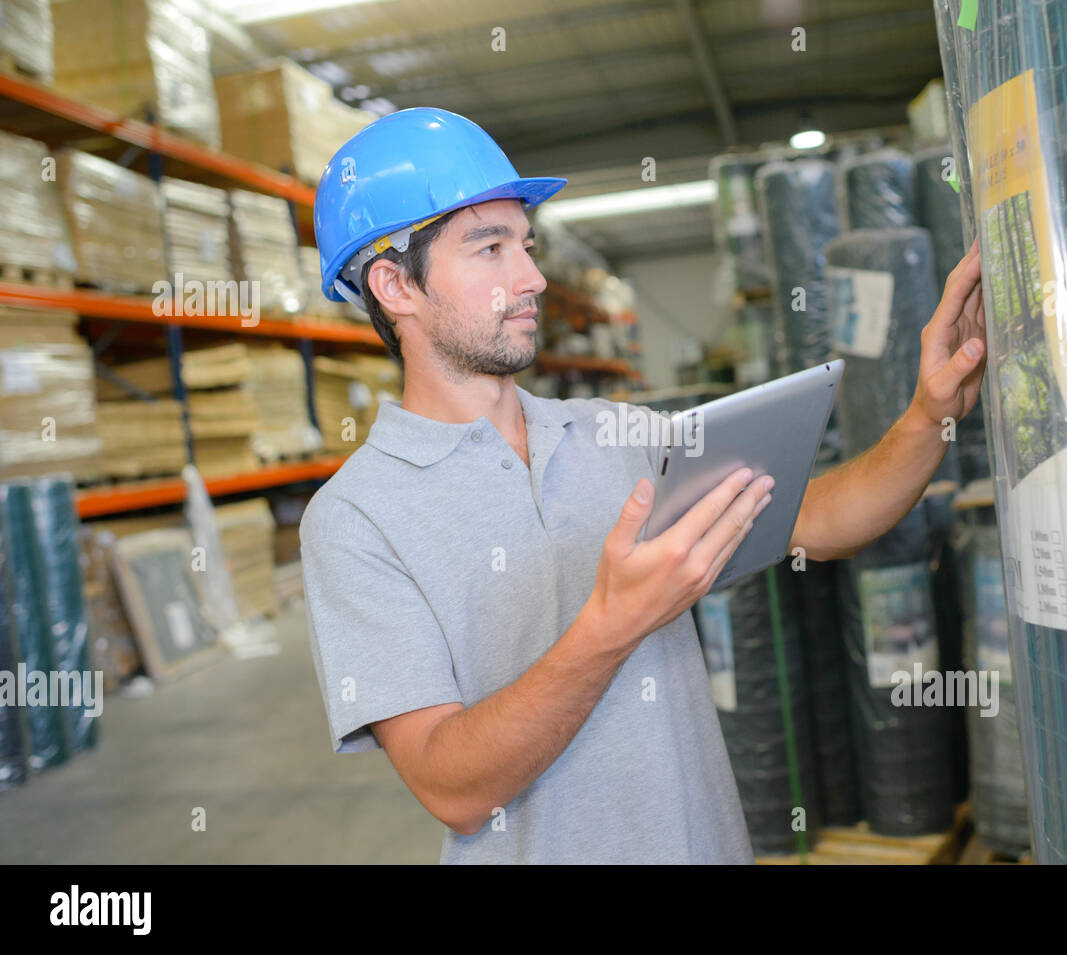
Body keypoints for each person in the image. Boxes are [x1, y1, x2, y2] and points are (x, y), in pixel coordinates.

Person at [302, 107, 986, 864]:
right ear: (396, 284)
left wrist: (929, 416)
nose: (531, 277)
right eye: (489, 248)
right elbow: (450, 785)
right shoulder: (356, 518)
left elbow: (821, 518)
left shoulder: (612, 433)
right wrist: (613, 622)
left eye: (525, 245)